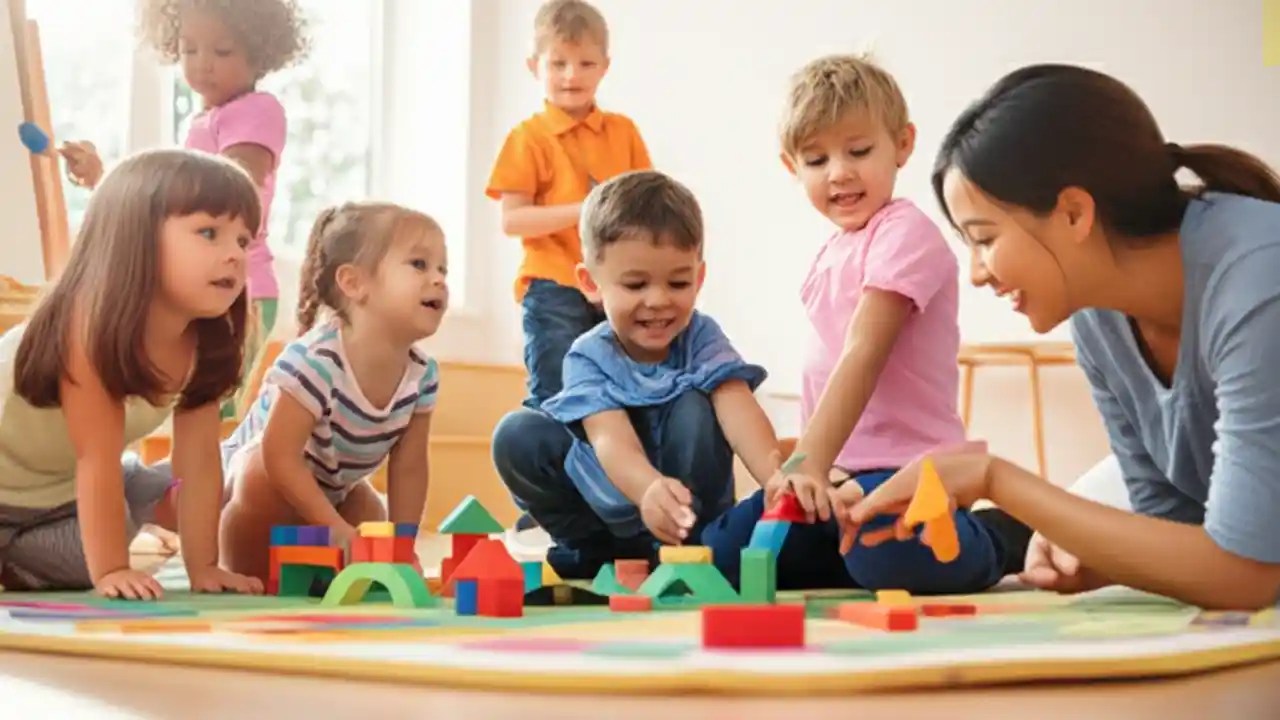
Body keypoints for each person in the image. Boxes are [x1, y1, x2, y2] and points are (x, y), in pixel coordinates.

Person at [847, 63, 1280, 610]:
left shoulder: (1259, 278)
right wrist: (1109, 556)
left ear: (1073, 212)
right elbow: (1174, 523)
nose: (977, 272)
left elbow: (1246, 576)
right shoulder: (1098, 318)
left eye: (984, 239)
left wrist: (995, 479)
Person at [701, 54, 1028, 594]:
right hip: (832, 479)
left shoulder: (905, 232)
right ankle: (852, 558)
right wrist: (809, 473)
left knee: (884, 543)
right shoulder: (832, 250)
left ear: (902, 144)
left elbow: (863, 352)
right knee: (725, 555)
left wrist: (807, 460)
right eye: (816, 159)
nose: (839, 172)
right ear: (792, 166)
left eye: (858, 151)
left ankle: (999, 536)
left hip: (907, 473)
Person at [491, 171, 783, 579]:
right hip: (622, 502)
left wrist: (776, 478)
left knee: (693, 403)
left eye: (678, 282)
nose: (658, 300)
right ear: (591, 284)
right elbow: (611, 437)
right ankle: (590, 547)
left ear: (699, 278)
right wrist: (647, 489)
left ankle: (691, 544)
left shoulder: (701, 337)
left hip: (688, 515)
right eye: (635, 284)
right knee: (517, 434)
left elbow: (738, 406)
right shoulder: (589, 355)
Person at [0, 149, 264, 600]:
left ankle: (30, 555)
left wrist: (203, 566)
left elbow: (198, 462)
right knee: (95, 555)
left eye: (243, 241)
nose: (235, 256)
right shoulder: (85, 329)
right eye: (209, 233)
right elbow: (94, 459)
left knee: (217, 491)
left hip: (65, 489)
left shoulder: (207, 340)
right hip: (16, 491)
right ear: (133, 239)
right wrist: (112, 572)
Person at [62, 0, 311, 418]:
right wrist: (103, 180)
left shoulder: (257, 111)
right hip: (203, 286)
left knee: (211, 410)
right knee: (189, 404)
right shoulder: (206, 121)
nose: (202, 65)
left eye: (222, 51)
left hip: (237, 289)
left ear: (260, 50)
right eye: (189, 50)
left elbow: (229, 194)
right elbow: (175, 211)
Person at [219, 203, 448, 582]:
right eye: (419, 265)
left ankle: (316, 566)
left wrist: (402, 546)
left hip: (332, 488)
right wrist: (335, 529)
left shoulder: (421, 375)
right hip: (251, 481)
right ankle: (242, 564)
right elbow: (279, 458)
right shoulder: (316, 361)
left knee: (371, 514)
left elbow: (409, 469)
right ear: (354, 283)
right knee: (260, 476)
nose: (439, 279)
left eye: (443, 269)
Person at [486, 0, 653, 409]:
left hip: (614, 284)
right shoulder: (528, 137)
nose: (571, 75)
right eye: (558, 63)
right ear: (534, 66)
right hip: (552, 285)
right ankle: (543, 468)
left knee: (625, 391)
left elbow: (645, 203)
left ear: (605, 66)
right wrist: (587, 209)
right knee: (555, 391)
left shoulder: (623, 131)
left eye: (585, 63)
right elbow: (513, 220)